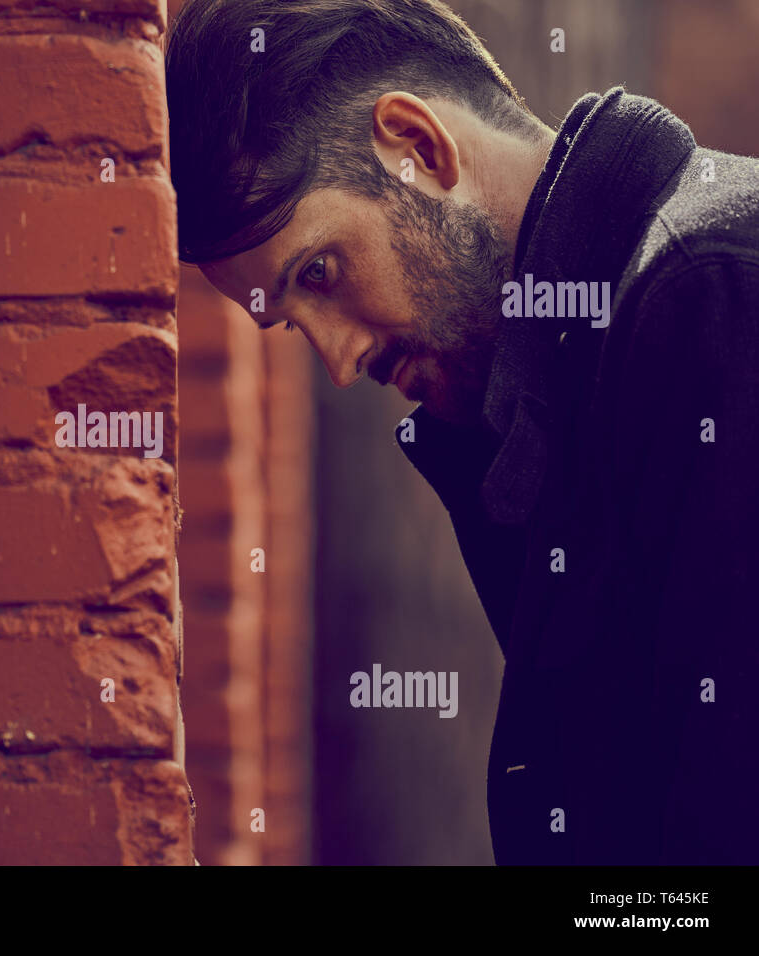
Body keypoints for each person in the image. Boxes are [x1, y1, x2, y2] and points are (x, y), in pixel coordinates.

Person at [166, 0, 759, 864]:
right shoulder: (580, 370)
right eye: (293, 323)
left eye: (320, 274)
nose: (337, 361)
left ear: (418, 148)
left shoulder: (712, 301)